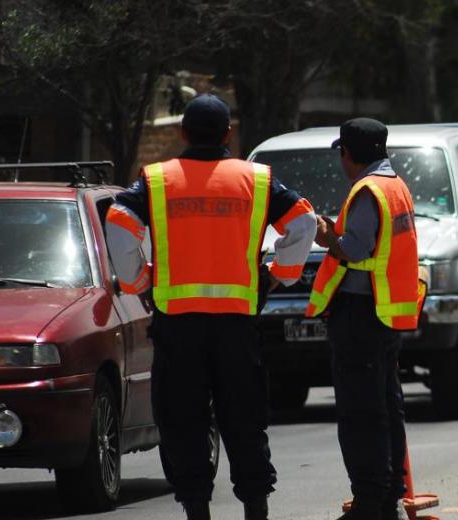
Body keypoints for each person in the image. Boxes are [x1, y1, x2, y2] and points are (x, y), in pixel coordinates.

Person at [105, 94, 317, 520]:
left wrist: (138, 283)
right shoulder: (256, 180)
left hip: (178, 329)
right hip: (237, 329)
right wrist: (280, 274)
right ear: (228, 134)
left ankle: (197, 511)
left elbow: (118, 221)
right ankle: (256, 510)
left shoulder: (158, 180)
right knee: (244, 420)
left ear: (182, 133)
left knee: (184, 423)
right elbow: (303, 220)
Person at [306, 118, 423, 520]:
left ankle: (371, 502)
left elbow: (355, 250)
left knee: (360, 414)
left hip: (361, 314)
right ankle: (386, 494)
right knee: (386, 407)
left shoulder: (368, 190)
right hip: (385, 315)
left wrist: (326, 237)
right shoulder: (396, 186)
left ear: (348, 153)